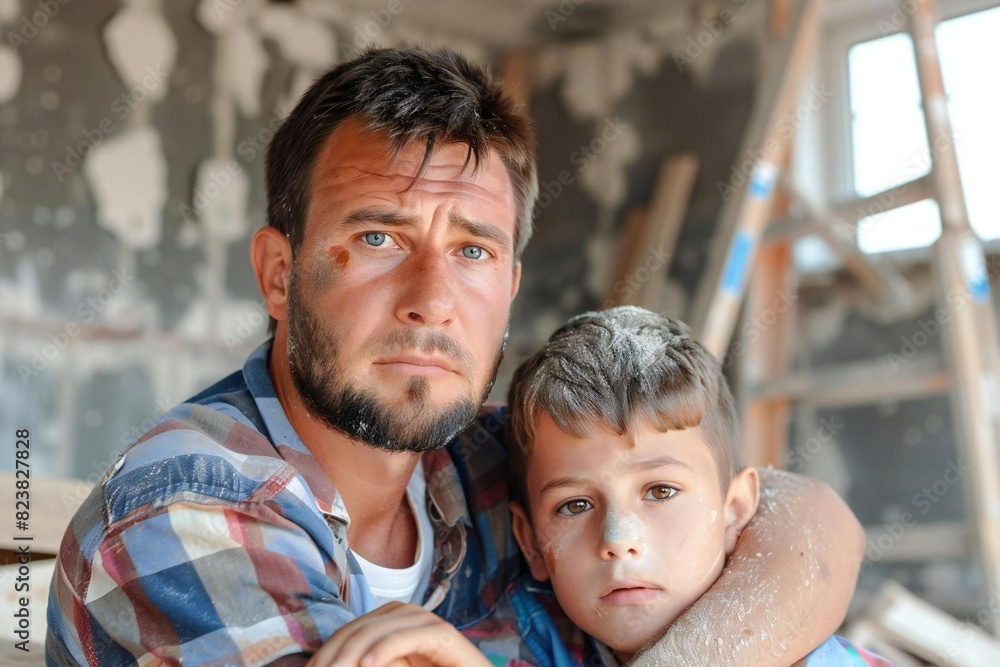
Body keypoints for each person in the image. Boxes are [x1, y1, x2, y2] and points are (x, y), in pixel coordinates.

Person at [47, 48, 865, 666]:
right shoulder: (187, 507)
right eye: (377, 237)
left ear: (509, 285)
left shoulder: (476, 457)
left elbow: (805, 523)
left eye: (472, 251)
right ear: (278, 273)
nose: (432, 297)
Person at [306, 307, 888, 667]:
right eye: (575, 505)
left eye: (660, 491)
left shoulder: (798, 650)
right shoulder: (507, 641)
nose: (618, 538)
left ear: (736, 509)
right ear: (531, 543)